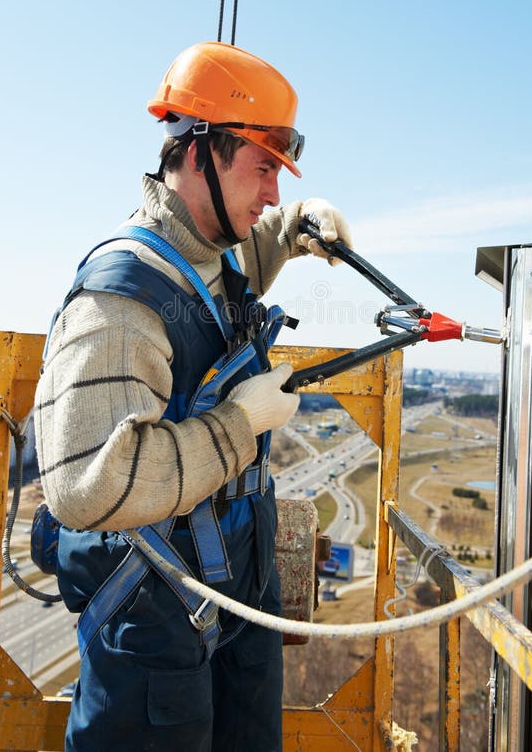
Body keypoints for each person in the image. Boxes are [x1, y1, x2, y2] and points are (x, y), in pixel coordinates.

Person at [34, 41, 352, 751]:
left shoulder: (211, 250)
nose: (270, 190)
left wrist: (298, 223)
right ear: (202, 150)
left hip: (234, 586)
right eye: (265, 167)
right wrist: (241, 426)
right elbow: (88, 487)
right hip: (151, 614)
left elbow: (240, 258)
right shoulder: (119, 303)